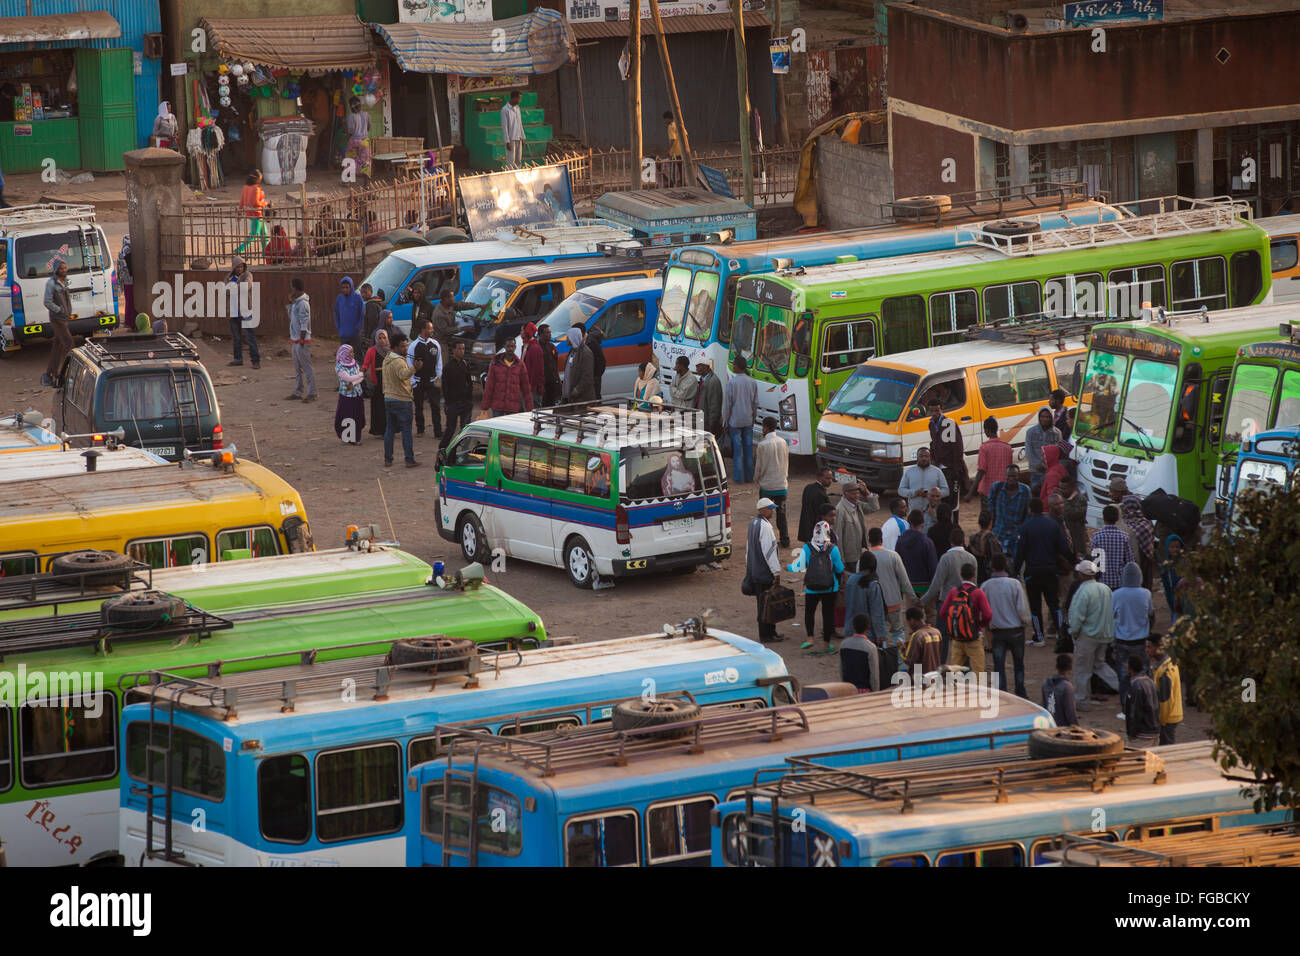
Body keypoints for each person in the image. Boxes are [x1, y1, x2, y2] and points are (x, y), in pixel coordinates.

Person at [1013, 497, 1073, 645]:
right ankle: (1061, 634)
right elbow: (1064, 548)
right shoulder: (1053, 525)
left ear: (1030, 510)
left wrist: (1014, 571)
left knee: (1035, 606)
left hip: (1032, 574)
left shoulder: (1025, 527)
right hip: (1051, 572)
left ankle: (1039, 637)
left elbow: (1020, 553)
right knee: (1054, 604)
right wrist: (1074, 562)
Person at [789, 520, 845, 653]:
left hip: (811, 587)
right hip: (831, 587)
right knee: (828, 614)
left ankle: (810, 638)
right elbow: (839, 568)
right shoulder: (833, 549)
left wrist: (788, 567)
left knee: (809, 612)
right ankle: (826, 643)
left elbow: (800, 566)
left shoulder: (807, 547)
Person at [982, 553, 1032, 698]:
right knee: (1018, 663)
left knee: (999, 666)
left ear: (992, 567)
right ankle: (1021, 694)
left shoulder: (985, 586)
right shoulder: (1014, 584)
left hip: (996, 631)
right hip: (1015, 630)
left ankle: (1002, 695)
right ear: (1006, 566)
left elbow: (984, 612)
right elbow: (1022, 608)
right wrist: (1025, 622)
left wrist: (986, 627)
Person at [1067, 559, 1114, 710]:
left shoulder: (1083, 591)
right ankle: (1123, 685)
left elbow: (1077, 615)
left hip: (1087, 636)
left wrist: (1074, 632)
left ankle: (1082, 701)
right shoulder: (1105, 588)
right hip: (1104, 634)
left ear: (1081, 574)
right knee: (1100, 665)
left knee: (1082, 669)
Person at [924, 527, 976, 660]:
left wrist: (922, 601)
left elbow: (936, 584)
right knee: (964, 637)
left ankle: (941, 668)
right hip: (965, 605)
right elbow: (974, 585)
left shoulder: (946, 558)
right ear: (963, 540)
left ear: (950, 542)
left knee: (943, 638)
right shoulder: (971, 558)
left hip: (947, 604)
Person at [1112, 560, 1154, 720]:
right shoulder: (1146, 593)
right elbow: (1150, 612)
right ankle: (1146, 705)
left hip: (1122, 640)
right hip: (1141, 640)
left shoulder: (1116, 594)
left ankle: (1126, 709)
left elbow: (1112, 615)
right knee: (1143, 674)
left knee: (1124, 675)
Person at [939, 563, 991, 672]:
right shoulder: (978, 593)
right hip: (974, 637)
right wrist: (979, 624)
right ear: (973, 575)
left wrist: (954, 624)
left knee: (954, 673)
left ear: (961, 575)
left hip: (957, 638)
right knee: (978, 674)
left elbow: (943, 612)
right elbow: (988, 614)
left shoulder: (954, 592)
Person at [867, 527, 912, 650]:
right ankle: (901, 665)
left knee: (880, 637)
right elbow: (905, 581)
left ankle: (883, 665)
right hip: (894, 603)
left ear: (869, 540)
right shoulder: (893, 556)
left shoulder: (864, 558)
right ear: (882, 539)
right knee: (898, 634)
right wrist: (913, 598)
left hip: (874, 606)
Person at [746, 498, 783, 643]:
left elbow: (749, 550)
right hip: (765, 573)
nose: (772, 511)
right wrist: (776, 572)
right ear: (762, 510)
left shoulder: (753, 524)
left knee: (761, 604)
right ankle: (769, 634)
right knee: (769, 605)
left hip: (755, 571)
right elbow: (770, 552)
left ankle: (766, 634)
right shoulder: (765, 527)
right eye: (770, 509)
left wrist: (749, 568)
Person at [382, 331, 420, 468]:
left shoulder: (387, 359)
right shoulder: (398, 361)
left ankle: (388, 459)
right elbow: (403, 375)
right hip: (402, 400)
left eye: (406, 346)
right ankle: (409, 460)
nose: (405, 348)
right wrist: (414, 368)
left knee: (390, 430)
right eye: (403, 346)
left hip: (388, 398)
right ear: (396, 347)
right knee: (406, 431)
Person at [754, 417, 791, 548]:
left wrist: (756, 479)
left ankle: (765, 540)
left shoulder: (762, 445)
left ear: (765, 427)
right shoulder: (783, 442)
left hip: (767, 487)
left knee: (764, 516)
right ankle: (785, 540)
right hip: (781, 485)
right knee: (781, 514)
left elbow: (759, 467)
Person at [722, 356, 759, 482]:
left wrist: (725, 421)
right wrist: (753, 419)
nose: (732, 366)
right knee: (748, 450)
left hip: (735, 422)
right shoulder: (752, 382)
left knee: (738, 451)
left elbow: (727, 406)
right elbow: (755, 404)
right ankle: (750, 477)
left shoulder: (732, 383)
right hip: (748, 421)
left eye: (733, 364)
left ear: (737, 366)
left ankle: (738, 478)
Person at [967, 416, 1013, 512]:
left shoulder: (984, 447)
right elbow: (1010, 470)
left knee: (987, 518)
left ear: (986, 430)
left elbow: (981, 471)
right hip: (1003, 489)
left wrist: (971, 492)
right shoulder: (1007, 447)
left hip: (987, 490)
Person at [927, 397, 966, 512]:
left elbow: (957, 448)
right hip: (939, 468)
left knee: (953, 499)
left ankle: (955, 524)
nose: (934, 414)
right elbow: (934, 443)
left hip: (950, 468)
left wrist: (956, 469)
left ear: (942, 410)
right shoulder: (931, 425)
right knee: (941, 497)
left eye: (937, 411)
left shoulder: (949, 424)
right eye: (932, 411)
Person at [842, 548, 889, 644]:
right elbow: (877, 612)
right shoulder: (873, 584)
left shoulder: (851, 580)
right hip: (868, 634)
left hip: (850, 630)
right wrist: (880, 634)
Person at [483, 330, 533, 417]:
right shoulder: (495, 363)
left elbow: (526, 388)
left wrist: (530, 409)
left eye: (512, 346)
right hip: (498, 407)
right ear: (504, 347)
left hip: (513, 407)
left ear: (515, 347)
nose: (510, 349)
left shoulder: (520, 365)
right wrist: (485, 407)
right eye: (508, 346)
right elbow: (489, 385)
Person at [896, 509, 938, 613]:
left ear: (909, 522)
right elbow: (933, 567)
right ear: (922, 523)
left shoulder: (900, 541)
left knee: (912, 615)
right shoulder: (927, 542)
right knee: (930, 614)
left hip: (908, 585)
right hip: (925, 586)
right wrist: (935, 588)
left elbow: (898, 563)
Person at [40, 259, 73, 386]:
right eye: (61, 268)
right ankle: (67, 372)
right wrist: (59, 310)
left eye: (65, 268)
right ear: (56, 270)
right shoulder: (51, 283)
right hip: (57, 319)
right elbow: (47, 302)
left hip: (63, 318)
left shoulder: (63, 282)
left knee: (57, 346)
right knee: (68, 343)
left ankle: (50, 374)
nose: (64, 270)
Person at [410, 318, 443, 437]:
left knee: (435, 406)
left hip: (432, 381)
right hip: (418, 382)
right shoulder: (413, 346)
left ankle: (438, 431)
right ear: (423, 329)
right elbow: (409, 363)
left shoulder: (435, 344)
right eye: (430, 328)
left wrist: (438, 378)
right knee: (418, 406)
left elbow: (439, 362)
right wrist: (413, 381)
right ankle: (420, 430)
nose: (432, 330)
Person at [834, 480, 877, 573]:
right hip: (849, 557)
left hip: (858, 552)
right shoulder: (840, 510)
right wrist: (841, 560)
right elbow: (838, 537)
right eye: (853, 494)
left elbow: (874, 507)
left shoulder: (857, 504)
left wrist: (867, 492)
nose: (856, 496)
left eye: (858, 493)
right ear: (845, 494)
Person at [988, 464, 1030, 557]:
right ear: (1005, 476)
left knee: (1015, 565)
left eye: (1014, 476)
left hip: (1016, 536)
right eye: (1009, 476)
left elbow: (1027, 514)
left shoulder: (1025, 491)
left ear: (1019, 476)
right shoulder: (996, 488)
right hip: (998, 535)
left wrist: (1023, 533)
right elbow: (990, 510)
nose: (1011, 478)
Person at [225, 256, 260, 369]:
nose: (239, 269)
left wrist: (233, 288)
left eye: (241, 266)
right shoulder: (229, 277)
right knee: (236, 337)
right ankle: (238, 359)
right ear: (234, 268)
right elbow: (226, 290)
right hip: (233, 310)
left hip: (245, 310)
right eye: (237, 267)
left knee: (250, 336)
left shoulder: (247, 275)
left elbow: (245, 287)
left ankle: (255, 361)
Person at [440, 340, 474, 450]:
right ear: (453, 350)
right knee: (450, 429)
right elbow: (445, 387)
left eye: (463, 349)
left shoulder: (465, 364)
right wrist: (448, 403)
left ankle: (462, 451)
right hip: (453, 403)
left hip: (465, 402)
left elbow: (469, 383)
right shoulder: (448, 367)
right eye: (459, 349)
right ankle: (442, 449)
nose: (461, 351)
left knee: (465, 430)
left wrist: (469, 399)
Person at [1148, 635, 1182, 744]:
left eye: (1149, 647)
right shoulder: (1168, 663)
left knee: (1167, 747)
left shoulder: (1165, 670)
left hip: (1168, 717)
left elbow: (1165, 699)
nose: (1146, 650)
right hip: (1171, 714)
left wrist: (1162, 721)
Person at [1091, 505, 1134, 591]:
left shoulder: (1096, 537)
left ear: (1103, 518)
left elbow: (1095, 561)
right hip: (1120, 581)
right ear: (1118, 518)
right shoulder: (1124, 537)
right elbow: (1130, 561)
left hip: (1102, 581)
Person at [1121, 494, 1157, 592]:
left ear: (1130, 507)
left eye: (1124, 506)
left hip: (1144, 557)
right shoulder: (1123, 521)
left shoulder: (1144, 523)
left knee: (1144, 583)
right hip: (1131, 558)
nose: (1123, 508)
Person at [898, 446, 948, 515]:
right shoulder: (909, 471)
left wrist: (932, 495)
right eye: (921, 456)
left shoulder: (937, 471)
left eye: (926, 456)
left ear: (930, 457)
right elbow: (901, 490)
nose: (924, 458)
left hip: (932, 512)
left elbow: (946, 491)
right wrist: (915, 493)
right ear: (917, 457)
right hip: (914, 512)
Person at [1025, 407, 1062, 494]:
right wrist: (1038, 464)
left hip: (1050, 472)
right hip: (1036, 471)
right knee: (1036, 495)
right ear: (1039, 417)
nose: (1045, 419)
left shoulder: (1056, 433)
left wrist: (1046, 466)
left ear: (1051, 418)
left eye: (1047, 417)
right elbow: (1029, 452)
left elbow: (1058, 453)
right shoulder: (1031, 432)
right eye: (1042, 417)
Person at [334, 344, 366, 444]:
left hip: (357, 394)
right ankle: (349, 438)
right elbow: (348, 378)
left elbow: (359, 379)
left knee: (357, 416)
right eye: (351, 352)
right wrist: (360, 375)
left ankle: (355, 437)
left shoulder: (354, 363)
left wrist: (354, 382)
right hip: (347, 396)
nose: (353, 354)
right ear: (344, 353)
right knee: (348, 417)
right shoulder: (340, 367)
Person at [840, 615, 881, 693]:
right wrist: (876, 692)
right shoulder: (870, 647)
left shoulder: (843, 644)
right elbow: (874, 675)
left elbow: (841, 669)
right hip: (864, 690)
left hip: (848, 689)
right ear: (868, 628)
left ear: (853, 627)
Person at [234, 169, 269, 255]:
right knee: (253, 235)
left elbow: (242, 201)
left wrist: (240, 211)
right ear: (258, 179)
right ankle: (239, 250)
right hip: (256, 214)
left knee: (264, 234)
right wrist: (266, 203)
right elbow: (255, 202)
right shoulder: (256, 188)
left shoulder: (245, 187)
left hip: (249, 213)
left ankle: (266, 251)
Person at [362, 328, 389, 438]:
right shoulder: (372, 351)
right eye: (380, 338)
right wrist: (360, 372)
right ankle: (380, 430)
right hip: (377, 383)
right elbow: (366, 364)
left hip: (389, 382)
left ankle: (390, 429)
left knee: (389, 406)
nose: (382, 340)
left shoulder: (391, 351)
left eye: (384, 338)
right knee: (379, 407)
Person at [902, 606, 943, 677]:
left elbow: (909, 660)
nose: (908, 625)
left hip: (921, 679)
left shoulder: (917, 636)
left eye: (908, 622)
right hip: (936, 675)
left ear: (912, 620)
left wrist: (901, 648)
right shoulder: (937, 632)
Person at [431, 290, 472, 359]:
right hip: (441, 343)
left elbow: (461, 305)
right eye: (452, 297)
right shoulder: (439, 314)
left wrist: (478, 306)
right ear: (445, 299)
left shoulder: (449, 305)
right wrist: (462, 328)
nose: (454, 299)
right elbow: (446, 331)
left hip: (449, 341)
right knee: (444, 364)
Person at [798, 467, 834, 544]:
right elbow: (822, 515)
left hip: (806, 528)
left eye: (831, 478)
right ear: (819, 477)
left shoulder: (808, 487)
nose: (830, 481)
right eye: (827, 478)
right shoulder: (820, 494)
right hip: (816, 531)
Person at [1042, 654, 1078, 726]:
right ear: (1070, 668)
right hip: (1062, 728)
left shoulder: (1046, 683)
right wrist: (1077, 728)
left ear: (1056, 666)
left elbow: (1044, 704)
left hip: (1049, 725)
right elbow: (1070, 712)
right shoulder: (1067, 687)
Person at [1060, 474, 1090, 560]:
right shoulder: (1060, 498)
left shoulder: (1081, 500)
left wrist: (1065, 501)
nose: (1061, 491)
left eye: (1064, 488)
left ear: (1072, 487)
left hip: (1077, 540)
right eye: (1060, 488)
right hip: (1065, 540)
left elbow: (1072, 514)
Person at [968, 509, 1003, 584]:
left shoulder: (973, 538)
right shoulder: (992, 539)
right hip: (989, 576)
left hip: (976, 575)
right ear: (991, 522)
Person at [694, 359, 724, 446]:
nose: (696, 369)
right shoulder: (703, 379)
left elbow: (714, 405)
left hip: (707, 421)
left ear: (705, 367)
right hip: (701, 418)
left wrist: (712, 422)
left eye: (698, 366)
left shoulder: (713, 381)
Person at [562, 327, 595, 402]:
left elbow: (587, 376)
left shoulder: (586, 353)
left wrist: (577, 390)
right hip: (571, 396)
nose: (566, 339)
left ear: (573, 337)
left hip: (581, 397)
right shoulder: (572, 351)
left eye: (568, 337)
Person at [334, 277, 365, 354]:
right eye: (343, 287)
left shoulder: (357, 298)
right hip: (343, 333)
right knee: (344, 355)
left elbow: (361, 313)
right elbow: (336, 313)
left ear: (351, 287)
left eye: (347, 287)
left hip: (355, 333)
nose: (345, 289)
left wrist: (358, 327)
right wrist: (338, 327)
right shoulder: (339, 298)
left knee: (356, 355)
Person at [344, 96, 372, 180]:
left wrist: (345, 138)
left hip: (354, 141)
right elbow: (369, 128)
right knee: (366, 162)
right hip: (365, 141)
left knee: (350, 160)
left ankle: (348, 181)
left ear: (352, 106)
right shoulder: (367, 115)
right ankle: (366, 184)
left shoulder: (351, 117)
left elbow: (351, 131)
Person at [1160, 534, 1186, 620]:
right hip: (1173, 598)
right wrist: (1171, 603)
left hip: (1186, 598)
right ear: (1167, 548)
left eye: (1177, 547)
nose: (1175, 549)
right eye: (1172, 547)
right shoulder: (1165, 567)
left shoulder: (1186, 562)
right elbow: (1167, 587)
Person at [537, 324, 562, 406]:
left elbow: (555, 363)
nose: (550, 334)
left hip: (553, 383)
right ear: (541, 334)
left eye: (550, 332)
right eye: (547, 332)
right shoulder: (537, 348)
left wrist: (557, 380)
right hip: (544, 383)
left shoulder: (551, 346)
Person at [521, 322, 544, 407]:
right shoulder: (526, 346)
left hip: (532, 388)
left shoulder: (535, 348)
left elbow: (536, 371)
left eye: (522, 330)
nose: (521, 332)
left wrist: (531, 387)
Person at [500, 90, 525, 167]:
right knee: (511, 161)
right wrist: (507, 142)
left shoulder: (518, 108)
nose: (519, 101)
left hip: (519, 138)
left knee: (518, 160)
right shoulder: (505, 109)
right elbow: (504, 127)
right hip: (511, 139)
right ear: (513, 98)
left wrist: (523, 137)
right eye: (518, 99)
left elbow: (520, 123)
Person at [662, 110, 683, 187]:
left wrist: (669, 150)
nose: (665, 121)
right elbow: (686, 135)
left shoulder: (670, 126)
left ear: (667, 118)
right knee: (681, 168)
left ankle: (673, 183)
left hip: (675, 152)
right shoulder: (678, 124)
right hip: (682, 151)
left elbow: (672, 139)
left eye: (665, 119)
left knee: (673, 168)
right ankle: (682, 182)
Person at [117, 234, 134, 324]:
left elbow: (119, 269)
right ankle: (130, 321)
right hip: (130, 281)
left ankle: (128, 320)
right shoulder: (128, 252)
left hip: (125, 282)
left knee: (128, 301)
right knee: (131, 302)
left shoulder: (122, 252)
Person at [587, 326, 607, 399]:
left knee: (595, 396)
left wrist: (596, 376)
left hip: (594, 376)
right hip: (595, 375)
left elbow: (601, 361)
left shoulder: (590, 343)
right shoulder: (592, 341)